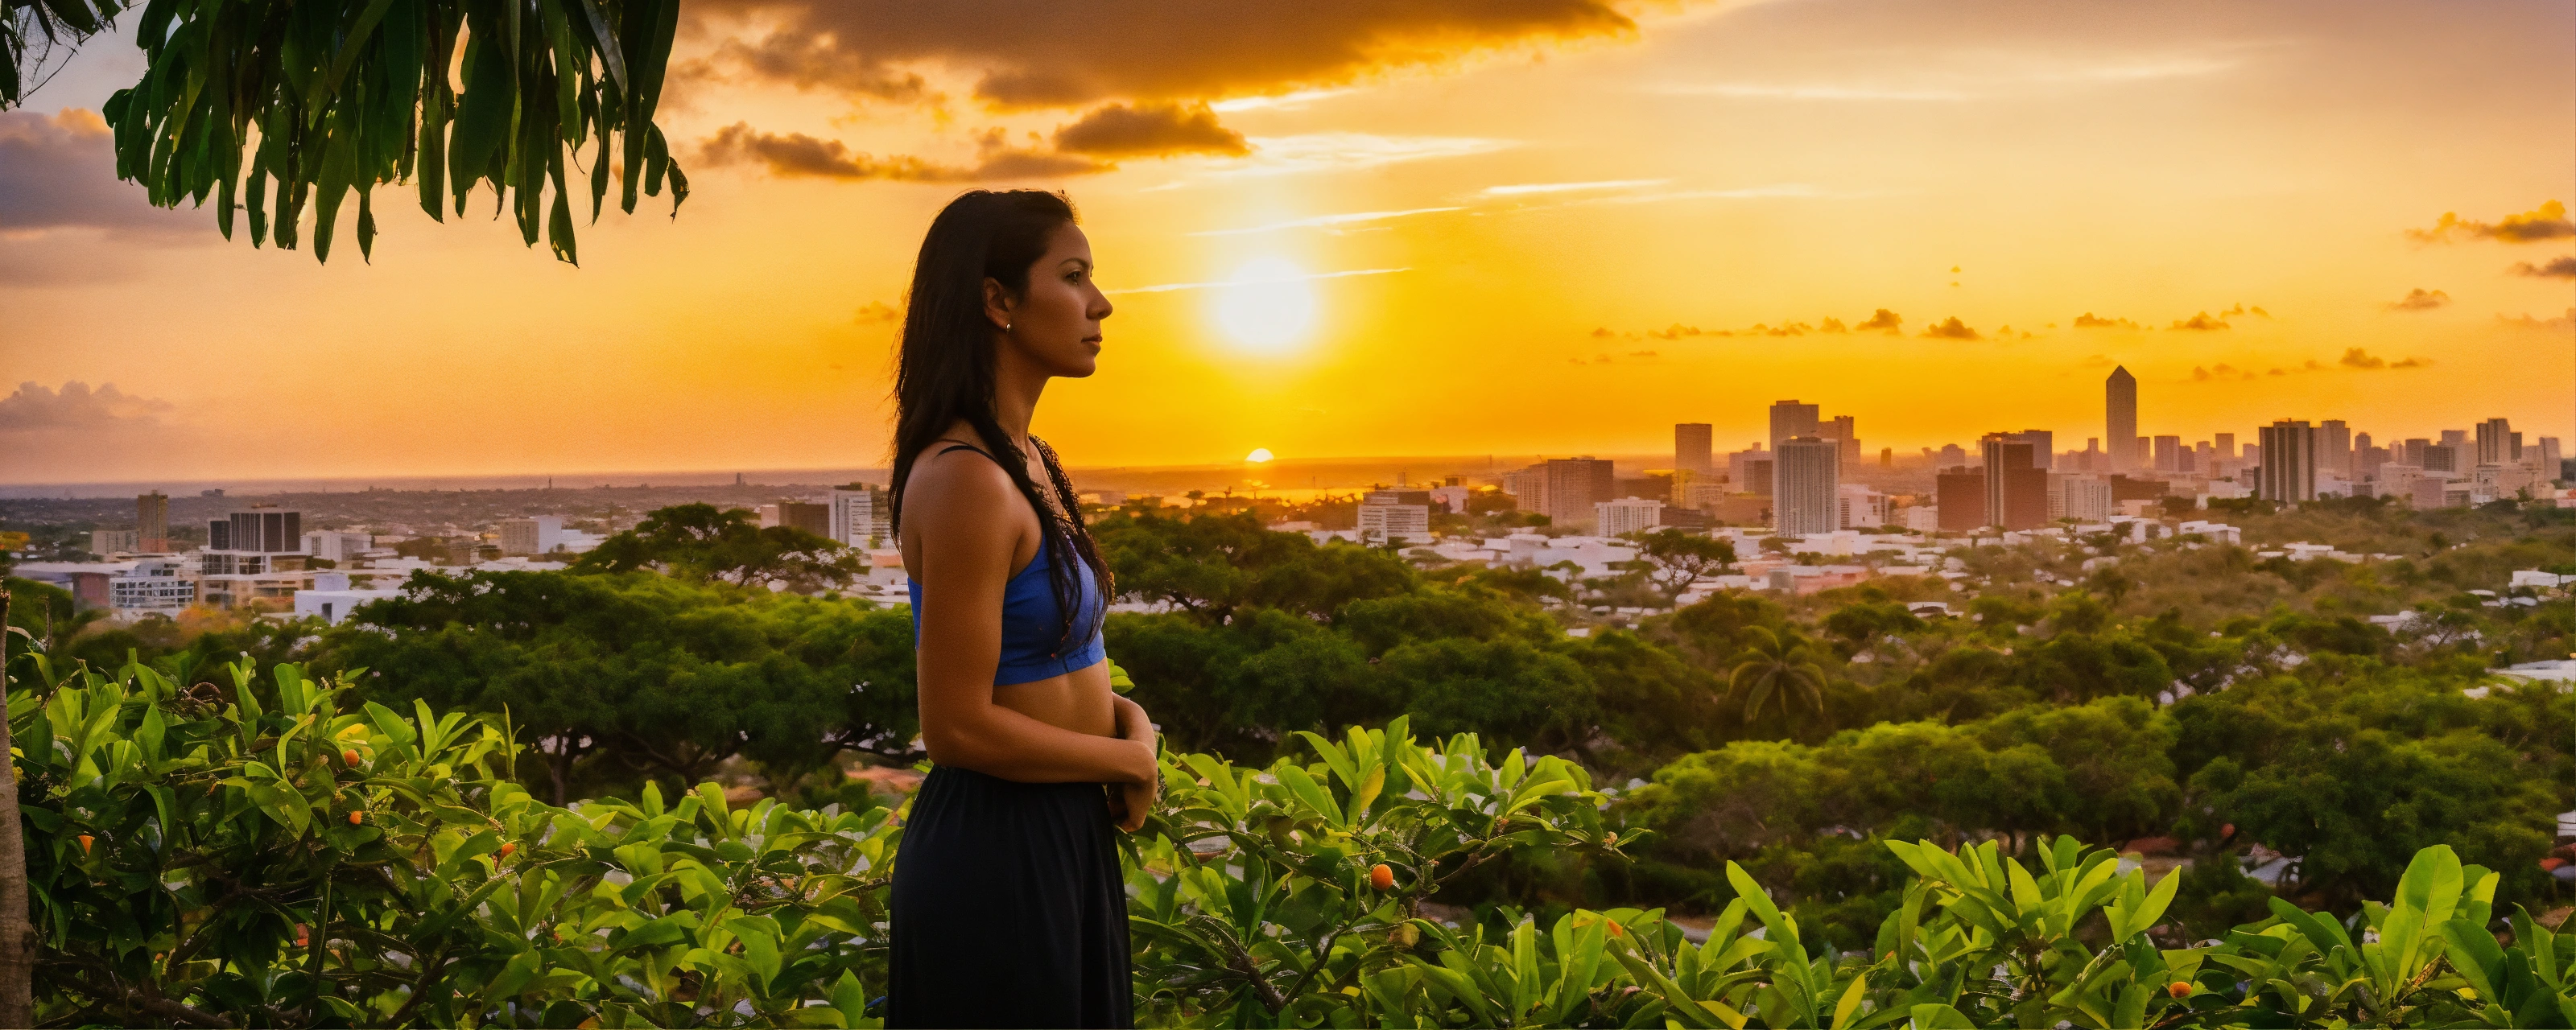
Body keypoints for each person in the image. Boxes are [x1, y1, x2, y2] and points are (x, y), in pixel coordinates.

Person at [883, 188, 1158, 1029]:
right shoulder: (965, 477)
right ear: (997, 300)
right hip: (997, 849)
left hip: (1063, 829)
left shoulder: (1028, 459)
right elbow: (957, 726)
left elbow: (1047, 663)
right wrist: (1123, 763)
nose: (1099, 303)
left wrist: (1132, 723)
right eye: (1072, 276)